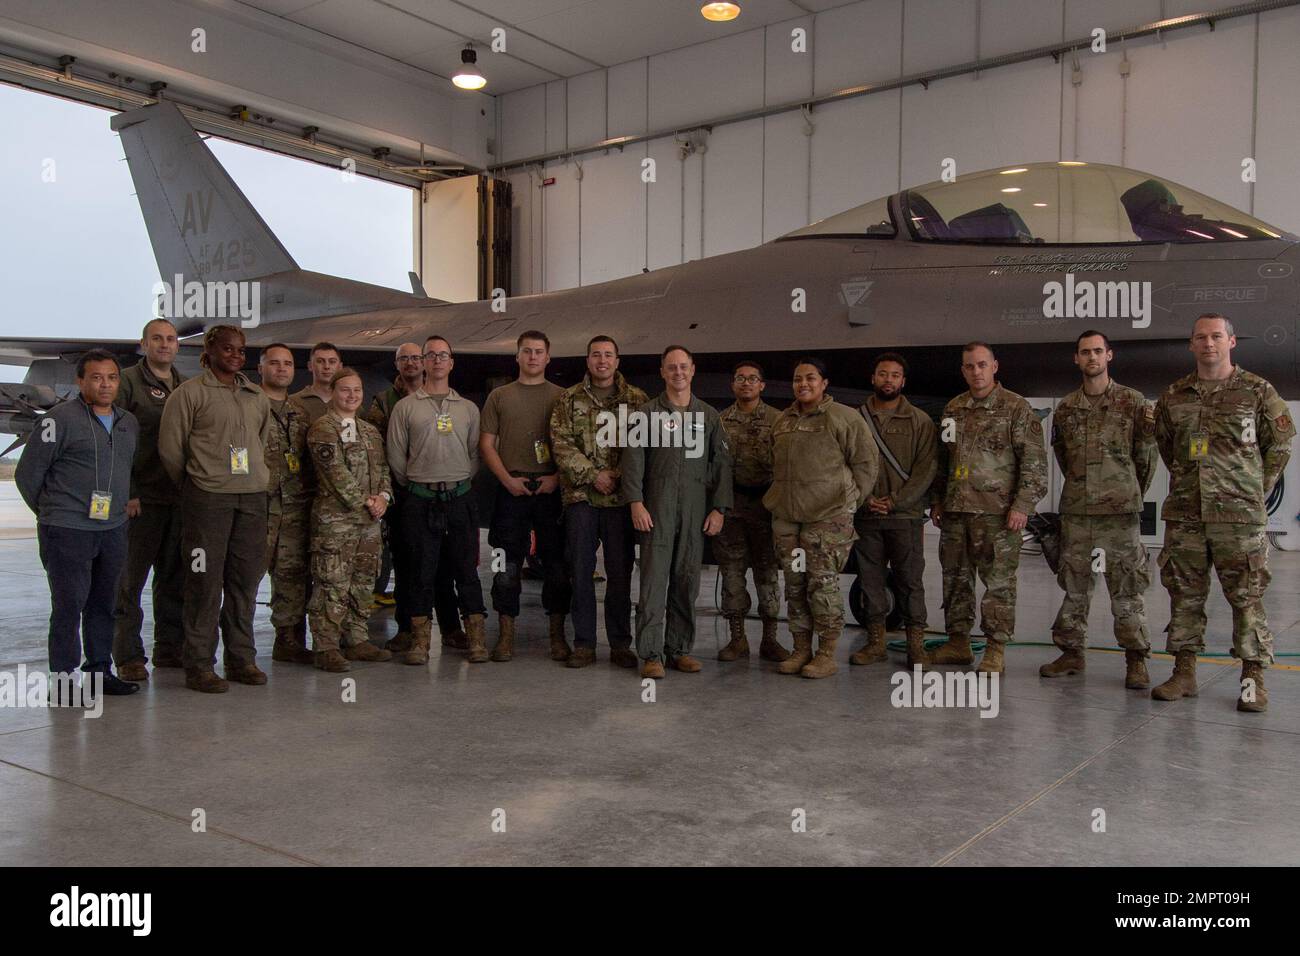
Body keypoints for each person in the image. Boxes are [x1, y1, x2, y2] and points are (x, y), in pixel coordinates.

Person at [1151, 313, 1294, 712]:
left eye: (1216, 336)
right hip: (1187, 514)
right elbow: (1166, 446)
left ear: (1231, 342)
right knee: (1184, 594)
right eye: (1201, 337)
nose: (1208, 343)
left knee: (1246, 595)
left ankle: (1253, 677)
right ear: (1191, 344)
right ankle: (1183, 671)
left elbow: (1279, 445)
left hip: (1240, 516)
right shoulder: (1174, 396)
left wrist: (1253, 489)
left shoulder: (1257, 391)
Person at [16, 349, 140, 697]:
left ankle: (100, 671)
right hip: (68, 530)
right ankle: (64, 680)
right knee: (69, 606)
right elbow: (29, 475)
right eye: (97, 377)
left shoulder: (127, 422)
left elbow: (125, 471)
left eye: (112, 377)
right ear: (80, 381)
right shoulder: (58, 419)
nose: (105, 384)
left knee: (104, 604)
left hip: (112, 529)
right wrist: (54, 514)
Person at [158, 325, 272, 693]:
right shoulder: (188, 394)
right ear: (210, 351)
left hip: (252, 498)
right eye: (228, 349)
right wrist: (198, 483)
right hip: (207, 500)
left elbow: (261, 441)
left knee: (245, 583)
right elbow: (172, 451)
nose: (236, 355)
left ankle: (241, 659)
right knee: (204, 583)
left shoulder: (257, 396)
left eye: (241, 350)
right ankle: (200, 666)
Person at [1042, 331, 1156, 688]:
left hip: (1120, 515)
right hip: (1077, 513)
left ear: (1109, 355)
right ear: (1076, 359)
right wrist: (1085, 489)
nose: (1091, 357)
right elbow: (1063, 458)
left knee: (1126, 587)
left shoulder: (1133, 402)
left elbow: (1146, 458)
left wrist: (1122, 489)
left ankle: (1136, 659)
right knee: (1075, 586)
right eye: (1084, 352)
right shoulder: (1066, 408)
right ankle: (1072, 652)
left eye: (1097, 351)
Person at [930, 342, 1048, 674]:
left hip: (998, 515)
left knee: (998, 585)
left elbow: (1034, 464)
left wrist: (1023, 505)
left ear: (994, 366)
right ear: (963, 370)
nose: (976, 372)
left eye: (982, 365)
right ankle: (958, 643)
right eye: (970, 366)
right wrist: (938, 500)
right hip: (956, 512)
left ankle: (995, 648)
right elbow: (943, 460)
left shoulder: (1016, 409)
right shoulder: (953, 409)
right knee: (955, 580)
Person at [622, 345, 732, 678]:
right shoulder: (646, 414)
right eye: (672, 368)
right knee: (654, 582)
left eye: (683, 367)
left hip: (695, 511)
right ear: (663, 372)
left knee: (687, 581)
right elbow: (633, 459)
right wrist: (635, 502)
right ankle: (652, 654)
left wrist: (719, 509)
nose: (678, 373)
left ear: (693, 370)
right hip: (657, 508)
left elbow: (722, 466)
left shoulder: (709, 417)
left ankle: (679, 649)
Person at [764, 358, 877, 679]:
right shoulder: (783, 421)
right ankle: (801, 649)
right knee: (795, 585)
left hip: (827, 520)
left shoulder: (844, 418)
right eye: (798, 379)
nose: (803, 384)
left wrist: (848, 504)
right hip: (787, 519)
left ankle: (826, 653)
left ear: (824, 383)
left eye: (811, 378)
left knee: (822, 584)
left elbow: (867, 465)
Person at [386, 335, 488, 664]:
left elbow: (475, 456)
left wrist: (455, 479)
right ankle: (420, 643)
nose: (438, 360)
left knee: (466, 570)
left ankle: (475, 639)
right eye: (431, 355)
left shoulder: (468, 409)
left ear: (451, 362)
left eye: (444, 355)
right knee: (419, 571)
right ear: (425, 362)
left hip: (459, 497)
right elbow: (397, 459)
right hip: (419, 499)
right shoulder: (405, 407)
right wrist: (423, 482)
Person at [549, 335, 647, 669]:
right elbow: (560, 443)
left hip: (621, 502)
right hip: (581, 499)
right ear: (587, 360)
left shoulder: (636, 400)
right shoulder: (568, 399)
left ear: (617, 361)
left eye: (608, 355)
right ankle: (585, 644)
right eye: (595, 355)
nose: (602, 361)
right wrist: (594, 475)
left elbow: (644, 447)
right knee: (580, 571)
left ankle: (620, 643)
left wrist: (617, 475)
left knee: (620, 574)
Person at [367, 343, 468, 654]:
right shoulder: (385, 402)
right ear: (396, 365)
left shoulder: (446, 399)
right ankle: (407, 628)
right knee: (409, 563)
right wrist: (404, 484)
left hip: (437, 493)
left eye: (415, 357)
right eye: (404, 359)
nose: (410, 363)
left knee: (446, 563)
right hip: (402, 495)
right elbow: (378, 448)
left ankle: (451, 627)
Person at [479, 331, 571, 662]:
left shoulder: (563, 397)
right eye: (526, 351)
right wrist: (507, 480)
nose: (533, 357)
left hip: (550, 491)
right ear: (517, 357)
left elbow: (572, 446)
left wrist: (557, 479)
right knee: (506, 567)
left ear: (548, 358)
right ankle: (505, 637)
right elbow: (487, 444)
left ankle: (557, 636)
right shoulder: (499, 397)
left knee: (558, 567)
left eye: (539, 352)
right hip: (511, 489)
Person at [850, 352, 937, 669]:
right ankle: (875, 643)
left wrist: (896, 500)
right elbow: (847, 464)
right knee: (870, 582)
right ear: (873, 378)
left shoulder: (919, 421)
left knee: (910, 581)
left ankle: (916, 646)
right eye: (883, 374)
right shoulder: (855, 419)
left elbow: (926, 469)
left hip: (905, 517)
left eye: (895, 375)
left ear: (903, 381)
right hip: (867, 515)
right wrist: (866, 497)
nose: (888, 380)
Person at [112, 318, 186, 680]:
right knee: (128, 583)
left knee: (174, 579)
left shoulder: (184, 386)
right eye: (157, 339)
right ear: (143, 344)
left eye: (170, 339)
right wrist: (128, 492)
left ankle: (170, 650)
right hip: (141, 500)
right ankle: (128, 655)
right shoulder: (127, 382)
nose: (164, 345)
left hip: (176, 498)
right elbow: (115, 438)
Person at [306, 368, 393, 670]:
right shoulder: (323, 428)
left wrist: (383, 497)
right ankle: (326, 646)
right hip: (337, 522)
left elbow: (383, 470)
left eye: (357, 390)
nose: (352, 395)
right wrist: (365, 502)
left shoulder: (369, 431)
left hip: (369, 523)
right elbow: (335, 474)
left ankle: (356, 639)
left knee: (363, 582)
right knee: (332, 583)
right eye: (345, 390)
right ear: (333, 392)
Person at [714, 360, 787, 662]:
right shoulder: (719, 421)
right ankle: (737, 639)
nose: (746, 383)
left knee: (767, 573)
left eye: (753, 379)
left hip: (766, 507)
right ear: (733, 384)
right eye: (740, 378)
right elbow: (714, 468)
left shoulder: (778, 420)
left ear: (762, 385)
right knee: (732, 574)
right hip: (732, 508)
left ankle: (770, 640)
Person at [258, 343, 316, 665]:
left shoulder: (300, 413)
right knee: (243, 579)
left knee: (292, 576)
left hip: (293, 506)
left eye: (288, 364)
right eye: (274, 363)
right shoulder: (249, 407)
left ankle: (289, 641)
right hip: (259, 506)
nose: (282, 369)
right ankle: (239, 649)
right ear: (261, 368)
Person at [291, 341, 342, 425]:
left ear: (340, 367)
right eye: (320, 361)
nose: (327, 366)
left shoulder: (350, 403)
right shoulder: (293, 402)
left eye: (332, 362)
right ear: (310, 366)